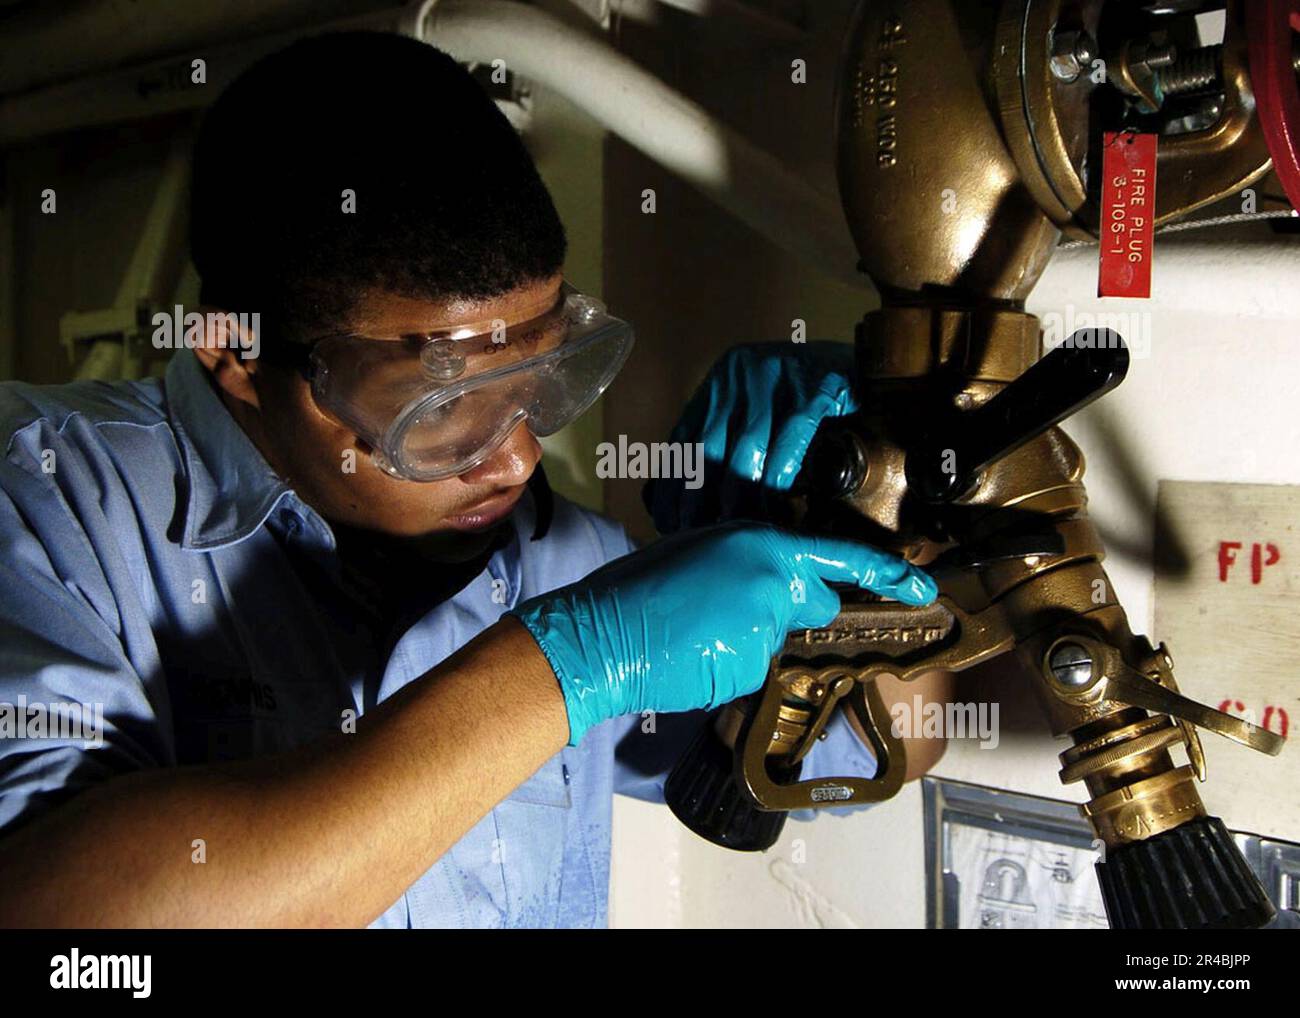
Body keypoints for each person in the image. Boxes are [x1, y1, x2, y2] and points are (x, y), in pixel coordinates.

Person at [0, 32, 935, 928]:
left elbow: (879, 741)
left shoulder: (556, 558)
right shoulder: (46, 504)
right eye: (441, 408)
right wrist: (560, 669)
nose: (519, 456)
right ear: (237, 354)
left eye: (535, 381)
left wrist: (867, 511)